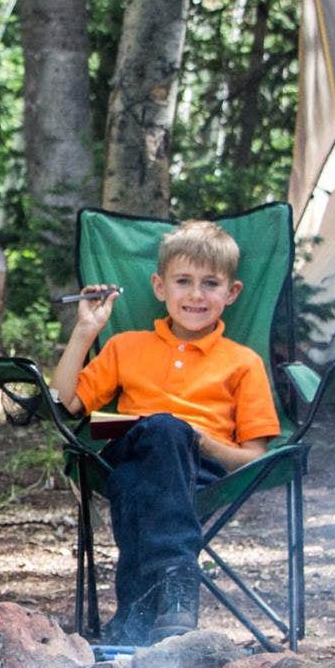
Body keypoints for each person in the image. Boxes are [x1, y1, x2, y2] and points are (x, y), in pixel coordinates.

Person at [50, 219, 281, 645]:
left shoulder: (243, 362)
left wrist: (203, 440)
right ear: (159, 286)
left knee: (154, 459)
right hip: (130, 442)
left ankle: (134, 614)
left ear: (232, 293)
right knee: (159, 430)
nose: (196, 294)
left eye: (210, 283)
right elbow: (69, 402)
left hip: (200, 466)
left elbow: (254, 457)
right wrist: (86, 331)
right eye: (183, 281)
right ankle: (178, 578)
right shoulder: (125, 346)